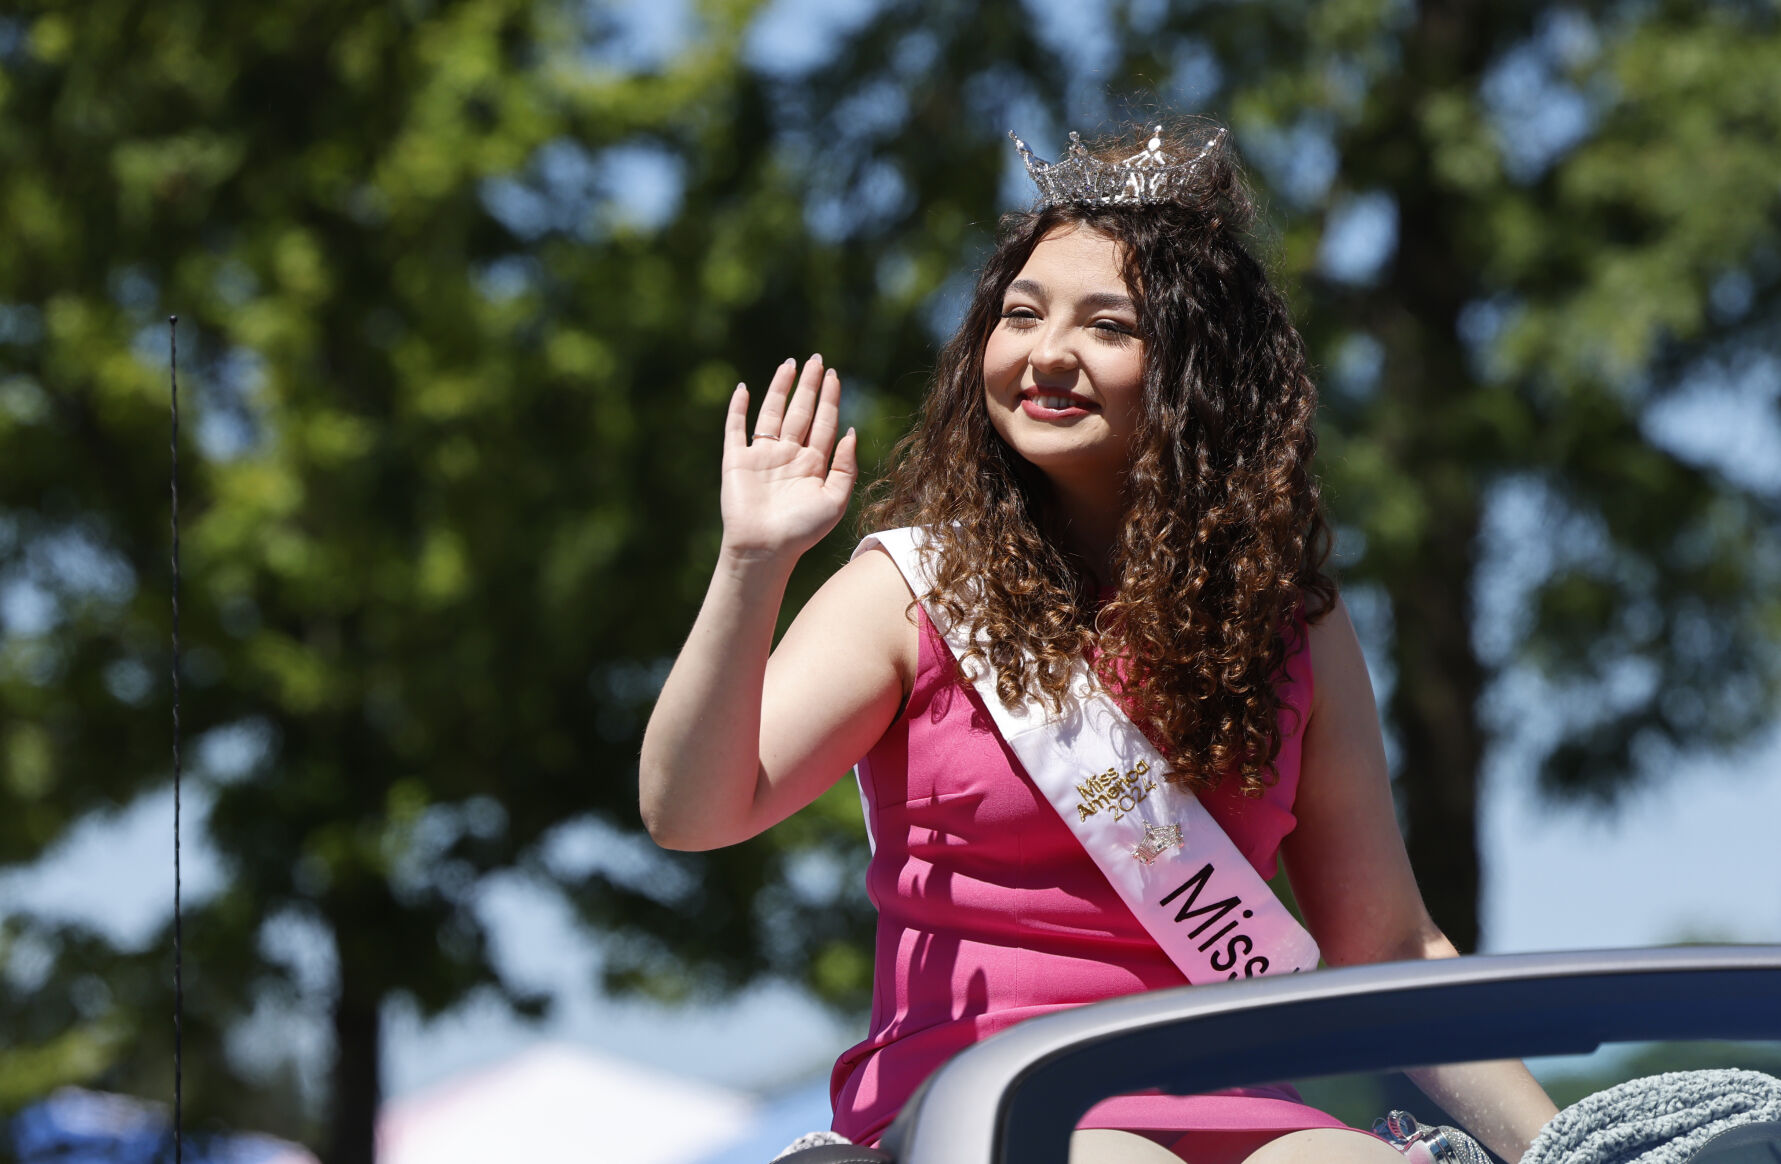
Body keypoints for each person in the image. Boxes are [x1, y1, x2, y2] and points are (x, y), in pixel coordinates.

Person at [639, 118, 1559, 1164]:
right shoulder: (909, 590)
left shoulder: (1288, 618)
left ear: (1196, 373)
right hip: (978, 1098)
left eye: (1105, 327)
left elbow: (1387, 943)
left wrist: (1572, 1147)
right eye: (1018, 314)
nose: (1044, 354)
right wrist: (752, 565)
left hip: (1238, 1104)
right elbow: (689, 812)